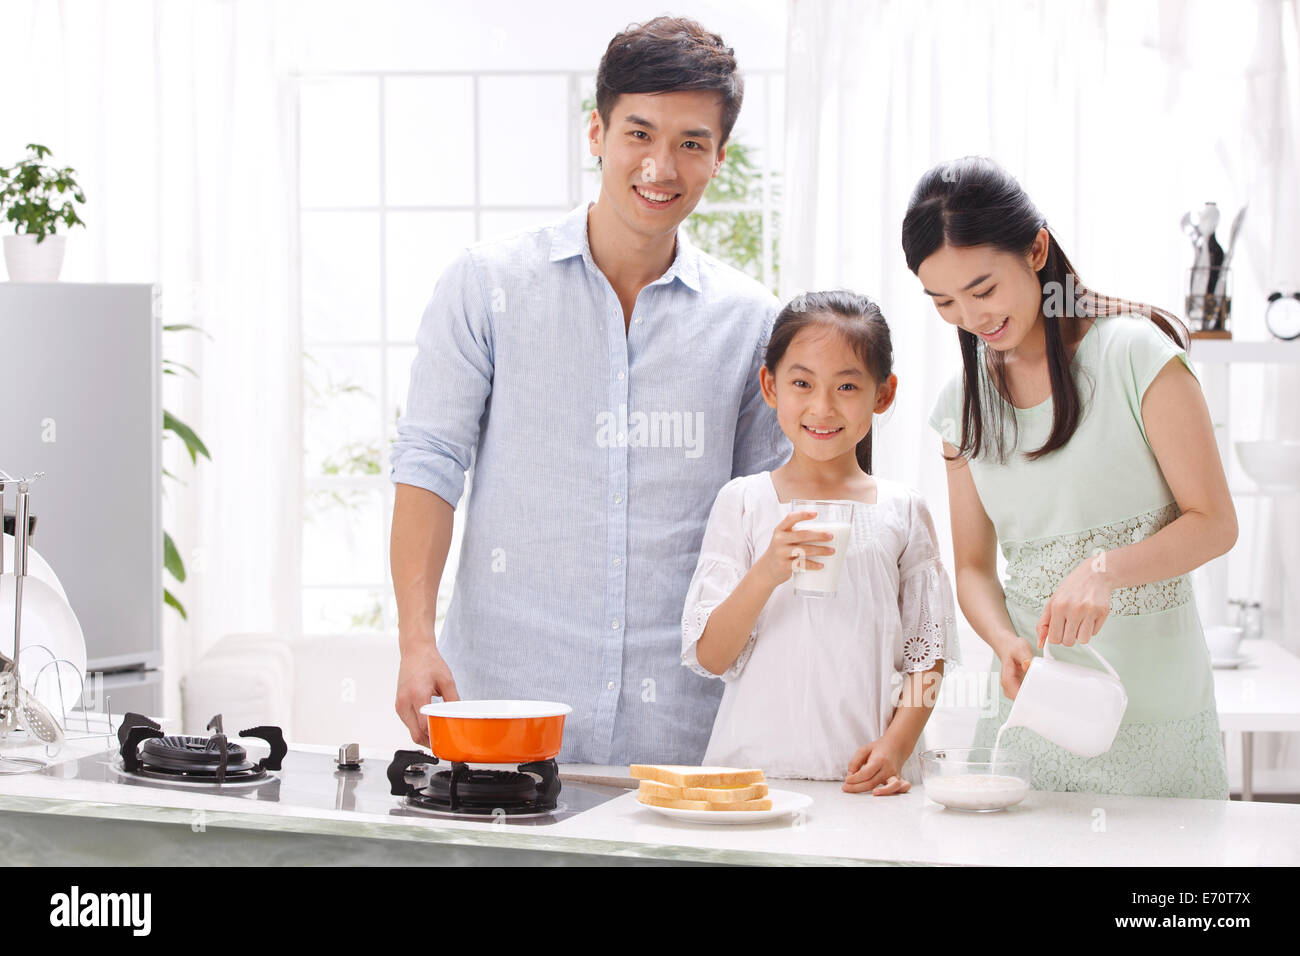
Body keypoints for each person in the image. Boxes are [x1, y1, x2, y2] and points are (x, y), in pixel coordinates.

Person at [389, 17, 790, 765]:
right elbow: (429, 464)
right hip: (503, 711)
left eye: (690, 143)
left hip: (685, 725)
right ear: (597, 132)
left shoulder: (753, 325)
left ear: (719, 159)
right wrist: (416, 641)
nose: (660, 167)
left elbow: (769, 517)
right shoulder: (487, 286)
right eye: (639, 133)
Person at [907, 156, 1235, 798]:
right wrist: (1006, 644)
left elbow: (1215, 524)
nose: (971, 318)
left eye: (983, 289)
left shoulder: (1134, 355)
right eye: (944, 301)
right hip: (1036, 713)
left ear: (1035, 250)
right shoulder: (962, 403)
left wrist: (1105, 569)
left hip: (1158, 711)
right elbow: (972, 567)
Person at [680, 290, 961, 791]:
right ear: (771, 386)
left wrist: (895, 749)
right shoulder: (743, 502)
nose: (822, 406)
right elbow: (710, 656)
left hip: (867, 783)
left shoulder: (903, 510)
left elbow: (927, 656)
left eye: (847, 386)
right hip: (752, 778)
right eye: (802, 383)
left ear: (883, 393)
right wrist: (767, 572)